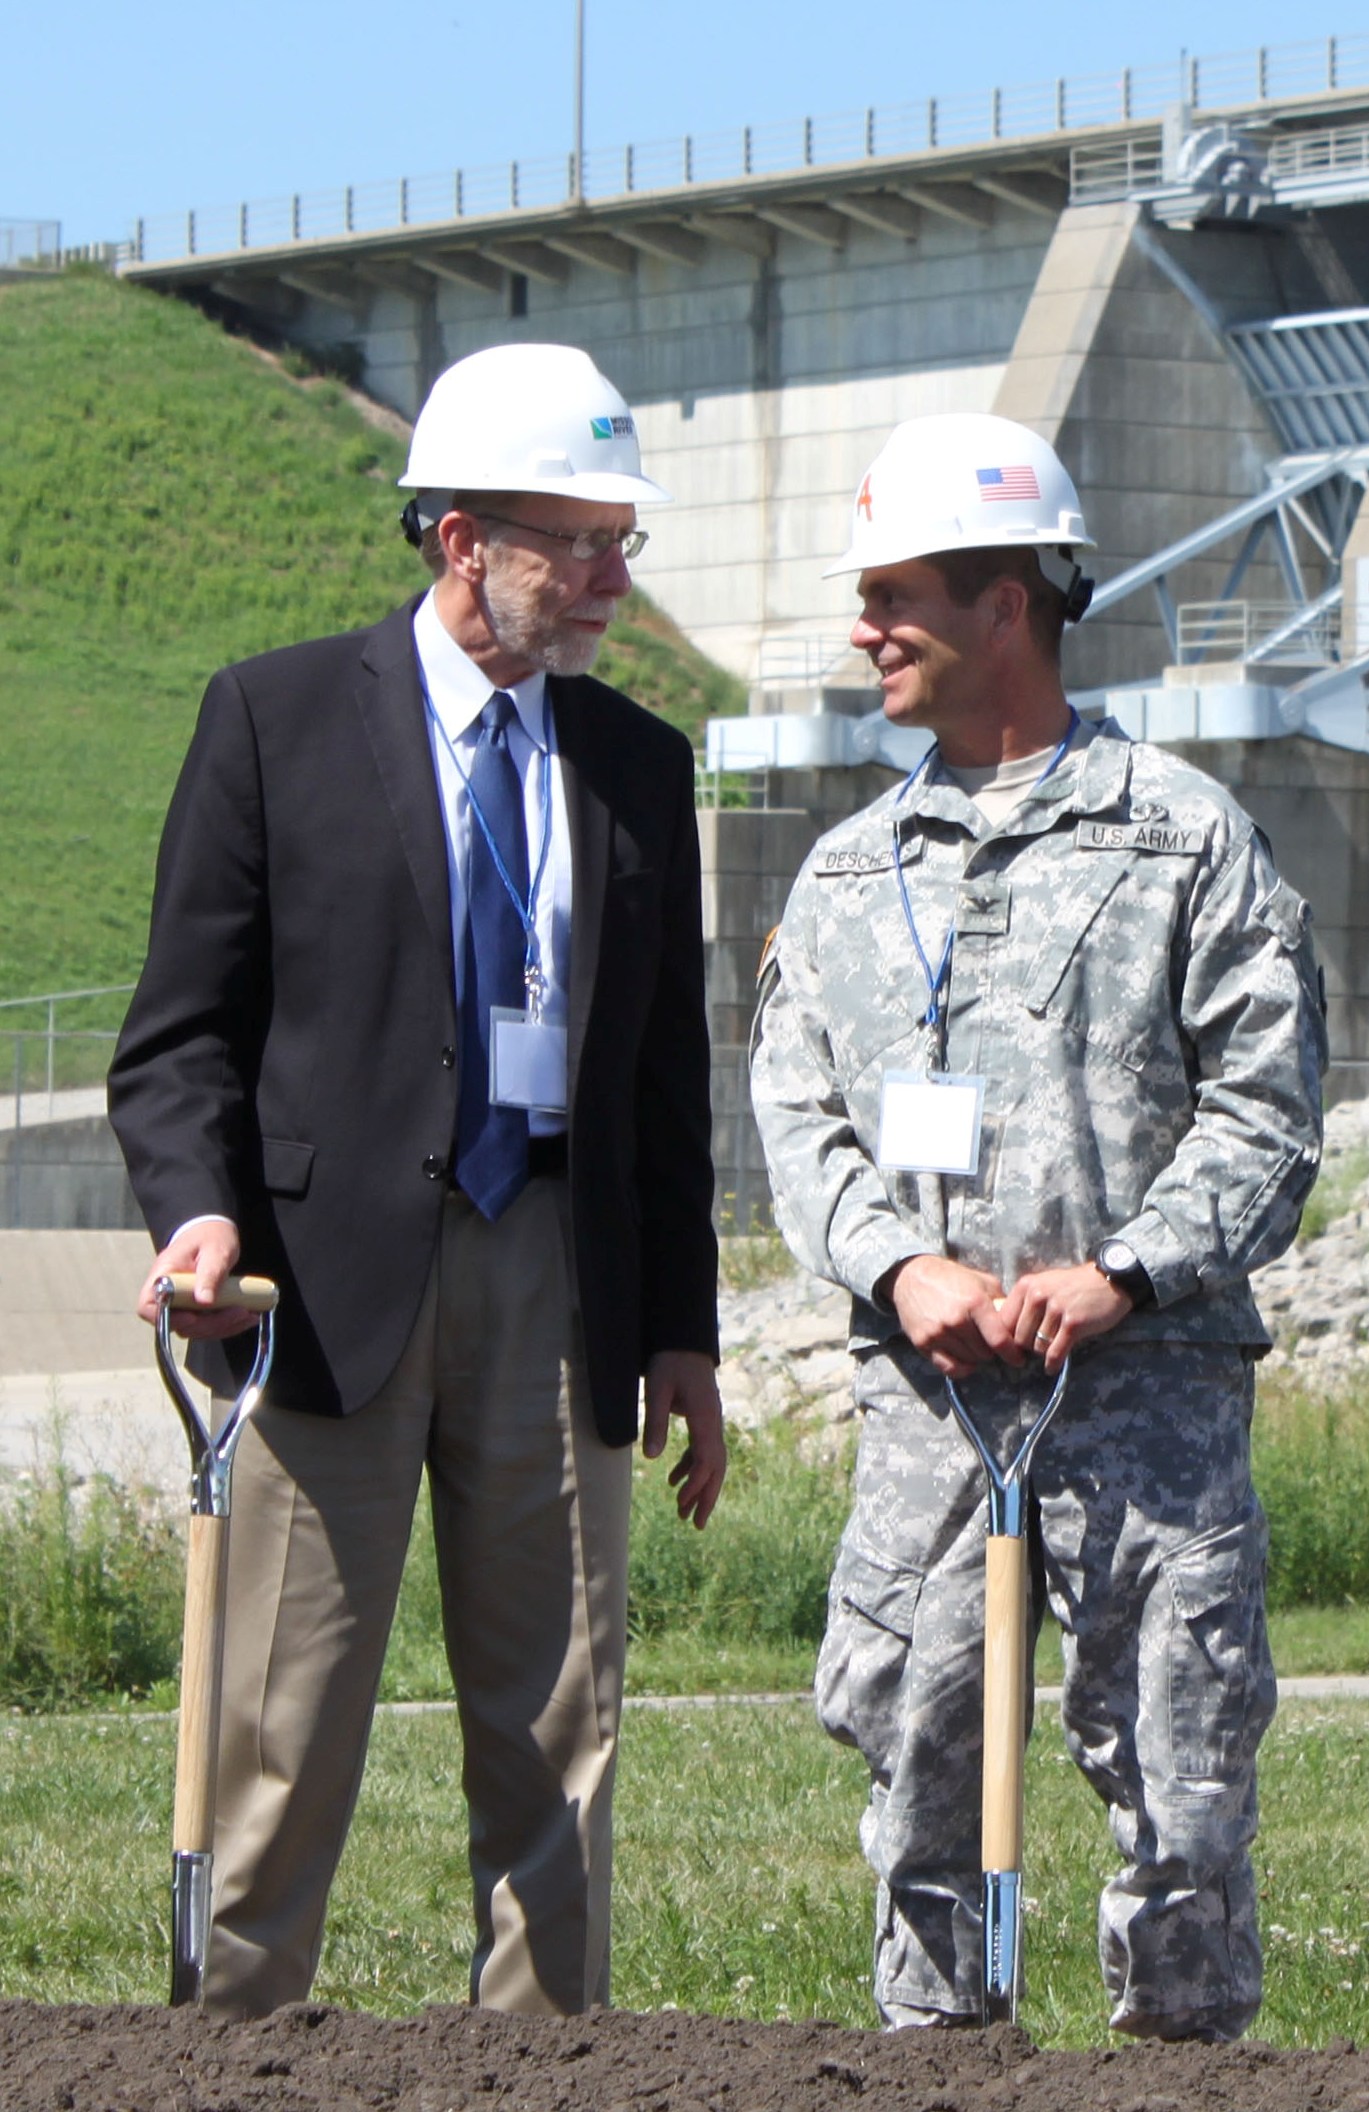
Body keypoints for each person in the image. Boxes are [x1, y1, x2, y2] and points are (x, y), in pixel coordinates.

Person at [108, 341, 726, 2021]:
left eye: (624, 545)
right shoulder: (273, 720)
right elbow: (176, 1040)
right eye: (579, 542)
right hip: (321, 1296)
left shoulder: (638, 767)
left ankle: (542, 2063)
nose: (613, 579)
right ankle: (225, 2052)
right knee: (276, 1733)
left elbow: (668, 1081)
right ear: (462, 540)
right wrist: (202, 1212)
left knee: (559, 1737)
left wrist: (684, 1331)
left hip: (560, 1291)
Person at [749, 411, 1326, 2040]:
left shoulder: (1185, 841)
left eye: (898, 595)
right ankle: (939, 2069)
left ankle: (1188, 2079)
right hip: (932, 1417)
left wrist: (1126, 1274)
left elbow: (1271, 1111)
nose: (867, 628)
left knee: (1184, 1811)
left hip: (1147, 1412)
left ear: (1009, 604)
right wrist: (898, 1265)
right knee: (921, 1800)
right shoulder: (852, 874)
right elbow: (796, 1116)